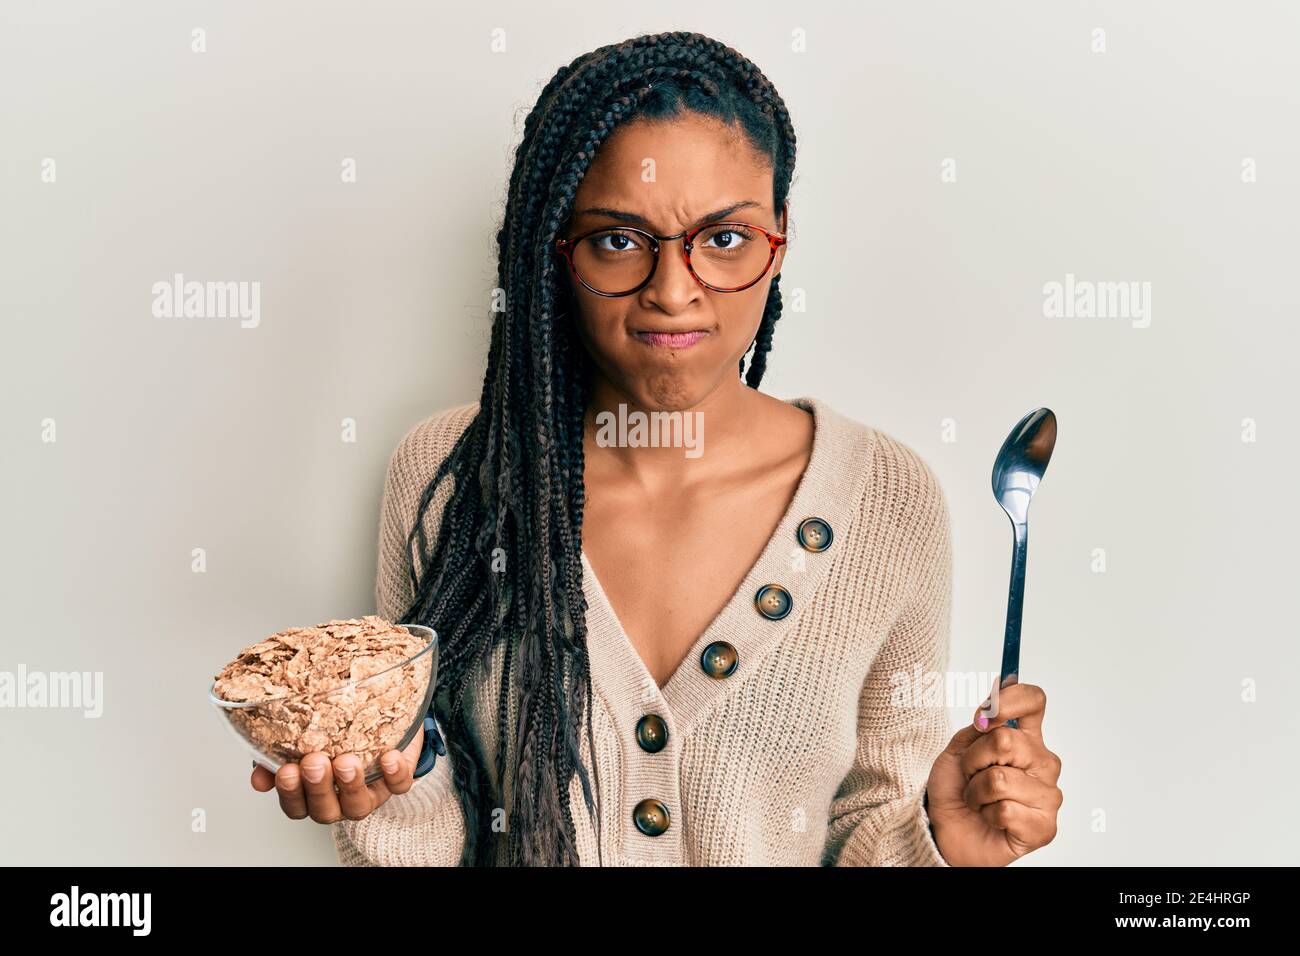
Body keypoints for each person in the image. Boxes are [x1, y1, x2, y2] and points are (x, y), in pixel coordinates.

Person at [250, 30, 1062, 867]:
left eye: (723, 239)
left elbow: (871, 818)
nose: (672, 294)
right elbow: (428, 815)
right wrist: (392, 785)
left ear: (781, 233)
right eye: (616, 240)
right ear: (553, 250)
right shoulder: (452, 474)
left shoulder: (889, 500)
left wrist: (941, 843)